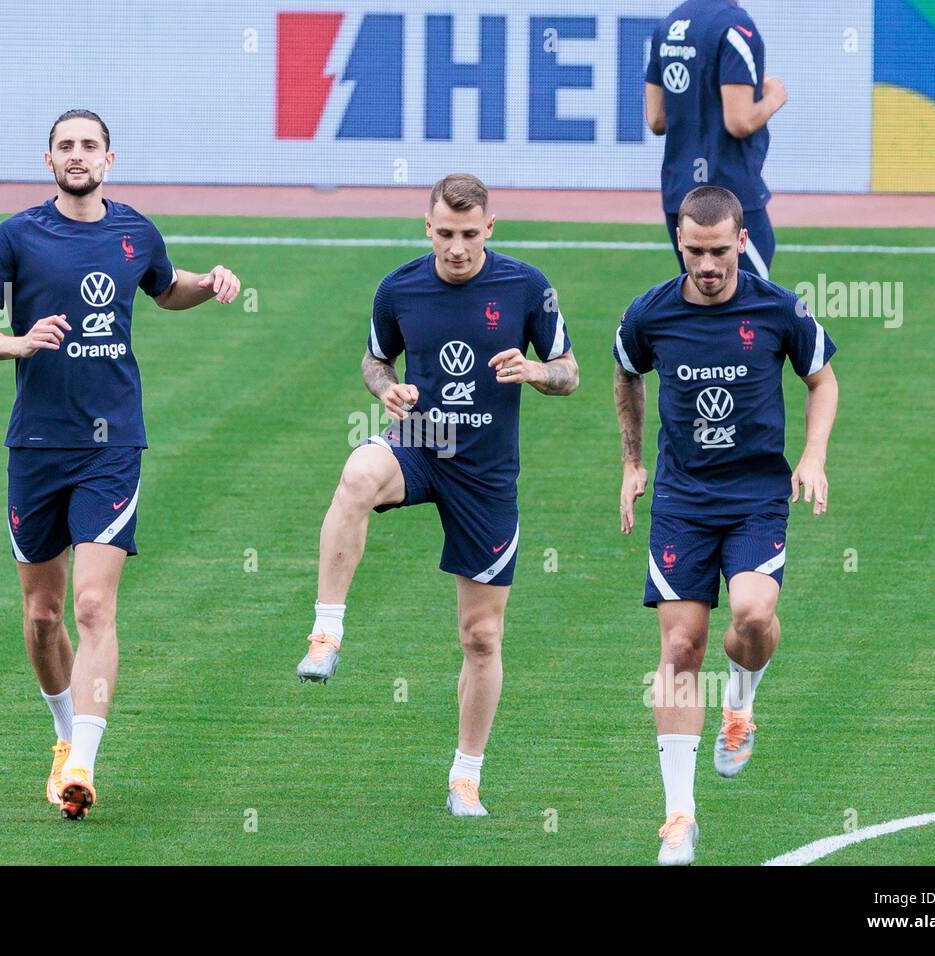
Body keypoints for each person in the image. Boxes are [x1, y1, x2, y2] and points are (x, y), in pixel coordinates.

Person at [0, 109, 241, 820]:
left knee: (91, 604)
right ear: (47, 158)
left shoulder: (136, 232)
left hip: (111, 444)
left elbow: (165, 286)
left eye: (89, 146)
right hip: (35, 447)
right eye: (66, 147)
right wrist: (20, 345)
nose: (77, 156)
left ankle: (84, 760)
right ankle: (63, 740)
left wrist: (209, 283)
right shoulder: (13, 237)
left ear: (109, 159)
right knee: (42, 613)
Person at [296, 173, 578, 817]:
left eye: (469, 235)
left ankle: (465, 776)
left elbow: (568, 373)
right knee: (358, 473)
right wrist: (384, 389)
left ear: (490, 229)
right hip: (420, 443)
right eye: (445, 234)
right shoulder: (399, 288)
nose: (456, 248)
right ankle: (326, 632)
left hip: (485, 474)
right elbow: (374, 360)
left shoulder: (525, 287)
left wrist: (534, 370)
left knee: (481, 637)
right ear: (428, 227)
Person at [613, 186, 838, 864]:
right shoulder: (650, 313)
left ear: (741, 241)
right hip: (682, 499)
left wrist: (813, 457)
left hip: (754, 497)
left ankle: (740, 703)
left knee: (750, 614)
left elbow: (821, 379)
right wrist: (631, 464)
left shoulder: (778, 308)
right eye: (693, 252)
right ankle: (679, 817)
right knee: (681, 648)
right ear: (678, 244)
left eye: (718, 251)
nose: (706, 264)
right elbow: (626, 377)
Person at [645, 0, 787, 277]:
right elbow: (740, 121)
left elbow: (656, 119)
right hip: (730, 194)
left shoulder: (669, 26)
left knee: (702, 303)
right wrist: (774, 98)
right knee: (747, 303)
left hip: (680, 194)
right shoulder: (736, 28)